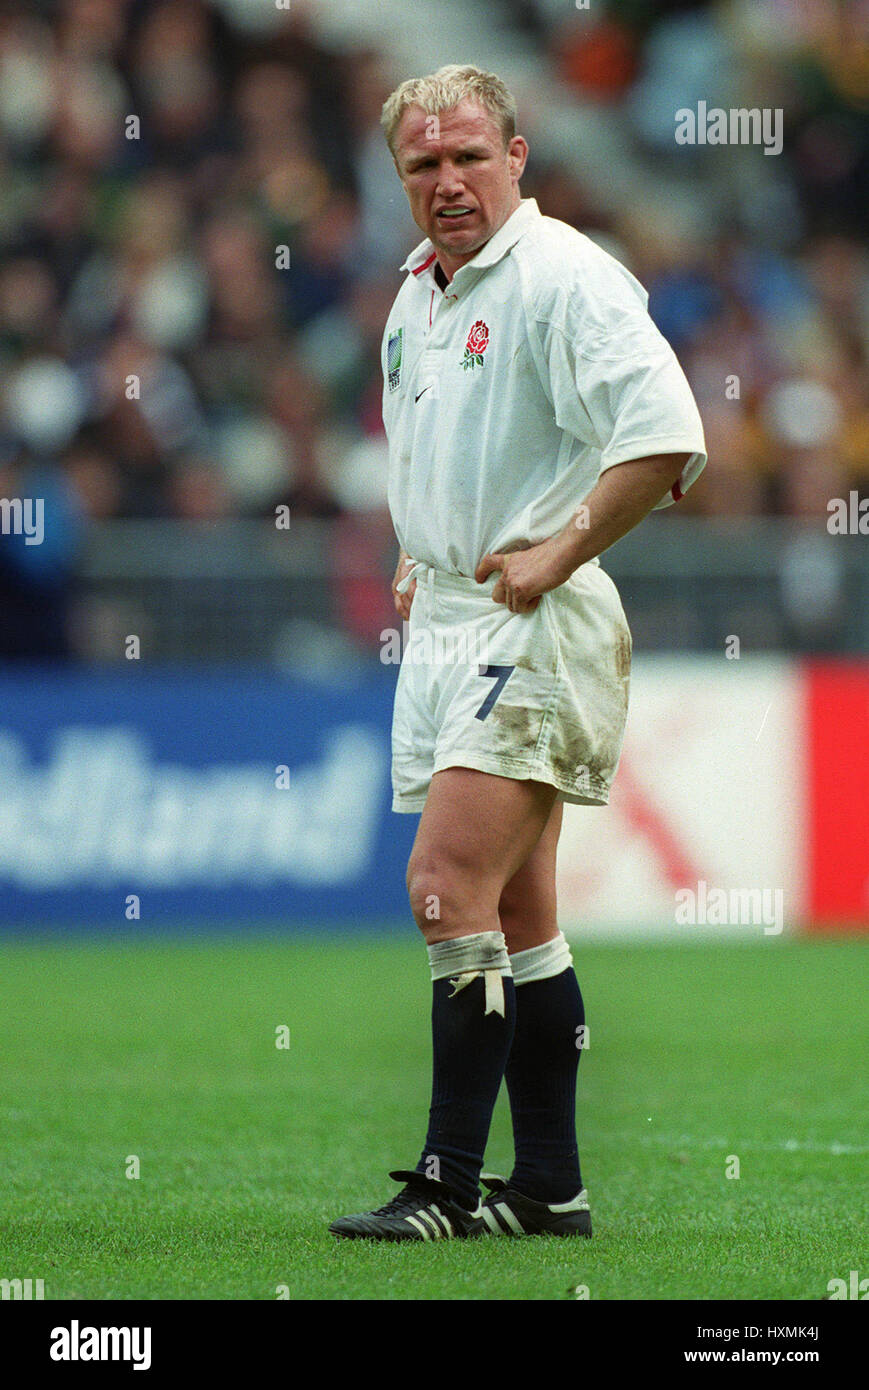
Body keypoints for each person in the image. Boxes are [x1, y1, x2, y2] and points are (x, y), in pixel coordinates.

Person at [330, 64, 706, 1241]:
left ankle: (445, 1181)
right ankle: (548, 1186)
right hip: (450, 616)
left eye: (467, 158)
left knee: (442, 887)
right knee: (521, 923)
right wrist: (421, 548)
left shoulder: (562, 277)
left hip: (531, 621)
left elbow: (665, 435)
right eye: (422, 166)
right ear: (400, 178)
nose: (447, 183)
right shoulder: (414, 298)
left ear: (517, 156)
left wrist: (554, 551)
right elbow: (449, 452)